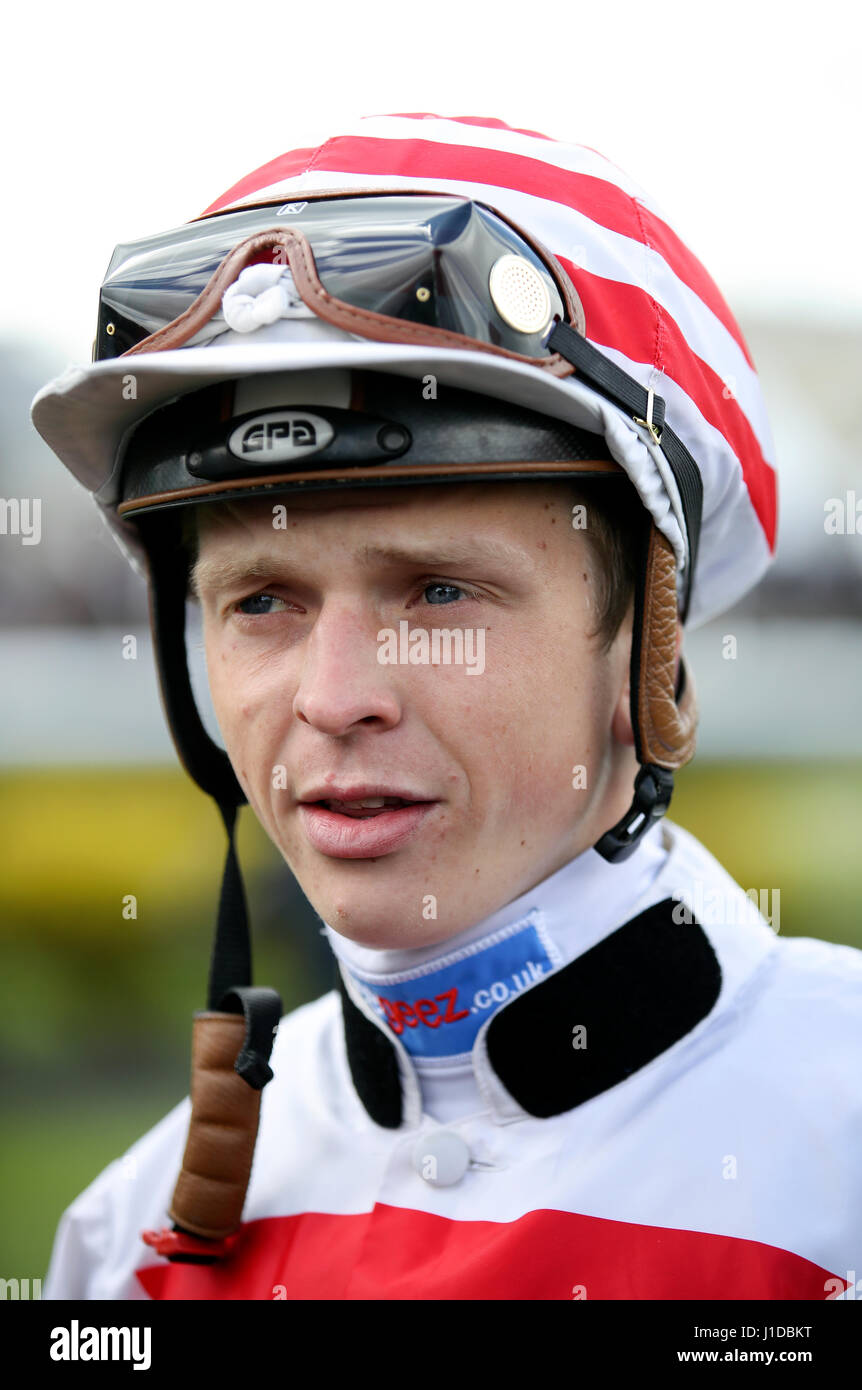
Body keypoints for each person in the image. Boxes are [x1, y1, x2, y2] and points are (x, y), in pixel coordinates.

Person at [32, 113, 861, 1300]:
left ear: (650, 645)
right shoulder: (127, 1236)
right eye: (262, 601)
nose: (333, 699)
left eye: (437, 590)